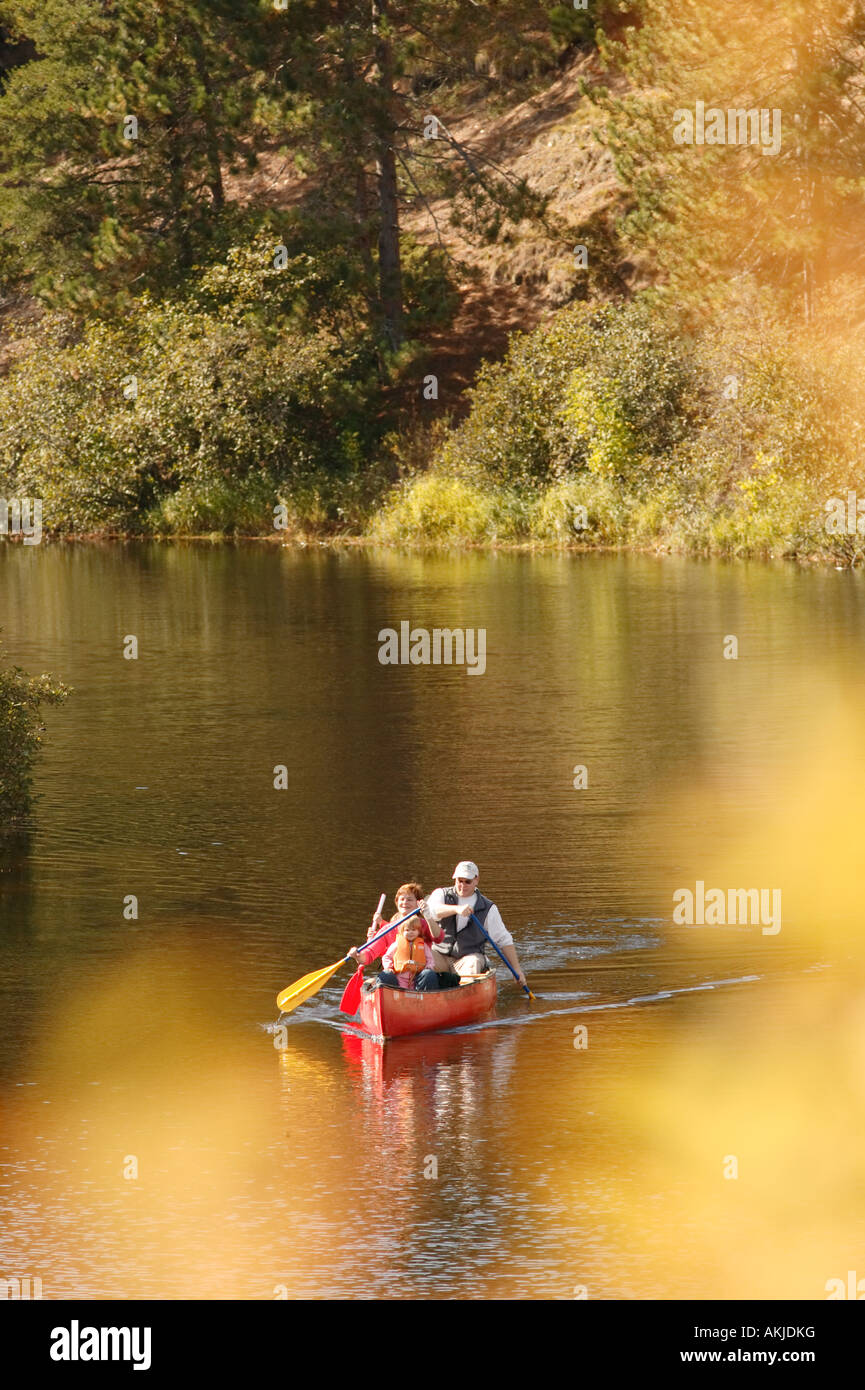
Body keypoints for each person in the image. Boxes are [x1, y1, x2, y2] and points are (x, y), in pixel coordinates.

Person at [424, 860, 527, 986]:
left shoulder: (488, 908)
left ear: (476, 880)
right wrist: (456, 909)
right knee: (419, 953)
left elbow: (503, 940)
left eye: (467, 881)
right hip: (439, 955)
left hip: (468, 958)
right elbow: (432, 911)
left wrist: (516, 970)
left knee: (473, 962)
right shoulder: (441, 894)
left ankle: (463, 993)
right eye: (459, 881)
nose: (462, 885)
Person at [348, 882, 442, 971]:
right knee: (385, 977)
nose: (405, 902)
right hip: (395, 974)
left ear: (418, 903)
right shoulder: (388, 929)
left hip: (421, 974)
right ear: (397, 902)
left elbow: (439, 938)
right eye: (402, 899)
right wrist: (357, 955)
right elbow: (369, 955)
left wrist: (428, 917)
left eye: (409, 899)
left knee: (429, 976)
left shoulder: (424, 925)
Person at [376, 912, 439, 992]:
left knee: (429, 974)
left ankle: (423, 998)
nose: (410, 932)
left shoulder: (423, 946)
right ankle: (396, 997)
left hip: (416, 979)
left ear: (418, 931)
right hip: (400, 978)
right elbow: (386, 957)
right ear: (402, 932)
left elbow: (429, 958)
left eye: (413, 930)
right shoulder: (396, 944)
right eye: (407, 930)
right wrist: (389, 967)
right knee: (388, 977)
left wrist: (429, 966)